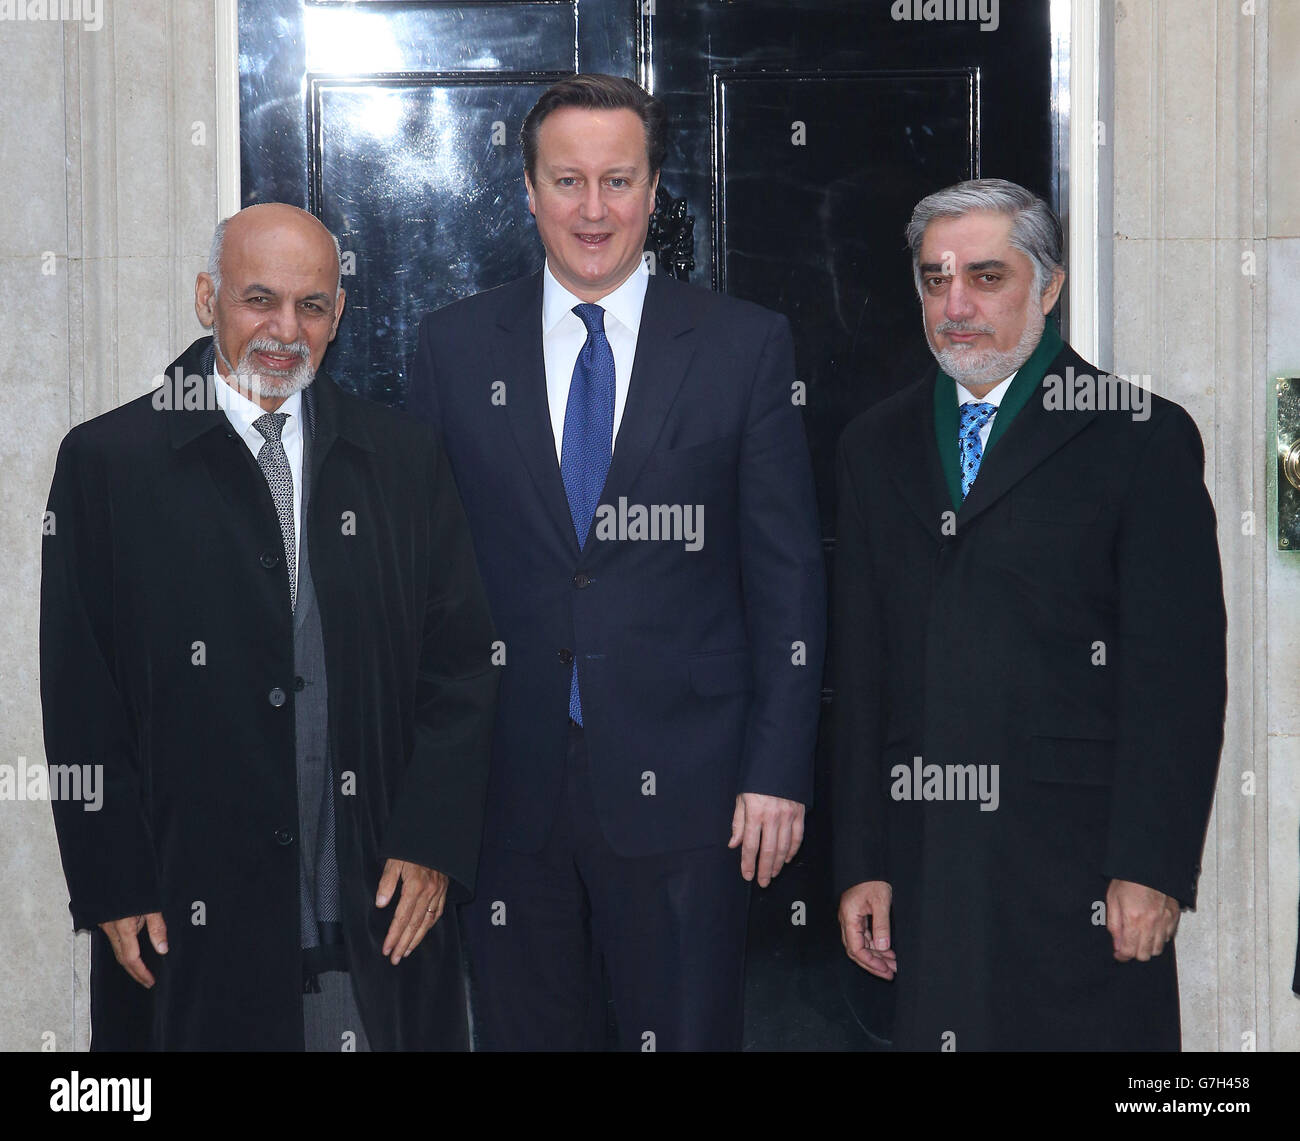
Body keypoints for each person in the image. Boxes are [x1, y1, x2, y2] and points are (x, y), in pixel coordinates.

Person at [407, 73, 826, 1051]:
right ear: (528, 190)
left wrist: (779, 768)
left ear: (652, 190)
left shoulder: (743, 345)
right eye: (566, 181)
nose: (592, 210)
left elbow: (787, 577)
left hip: (694, 792)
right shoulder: (455, 349)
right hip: (504, 794)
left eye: (617, 180)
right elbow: (424, 585)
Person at [41, 203, 498, 1051]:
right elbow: (80, 696)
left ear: (339, 314)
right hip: (186, 921)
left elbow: (463, 668)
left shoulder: (405, 461)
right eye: (260, 299)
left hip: (372, 916)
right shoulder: (108, 463)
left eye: (312, 305)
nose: (285, 330)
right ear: (207, 298)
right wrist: (110, 879)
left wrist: (434, 838)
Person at [832, 178, 1227, 1051]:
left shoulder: (1139, 436)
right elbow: (858, 675)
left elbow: (1180, 680)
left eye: (985, 277)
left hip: (1080, 876)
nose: (956, 305)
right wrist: (860, 861)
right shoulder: (874, 446)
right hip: (929, 868)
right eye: (935, 280)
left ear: (1047, 289)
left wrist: (1151, 866)